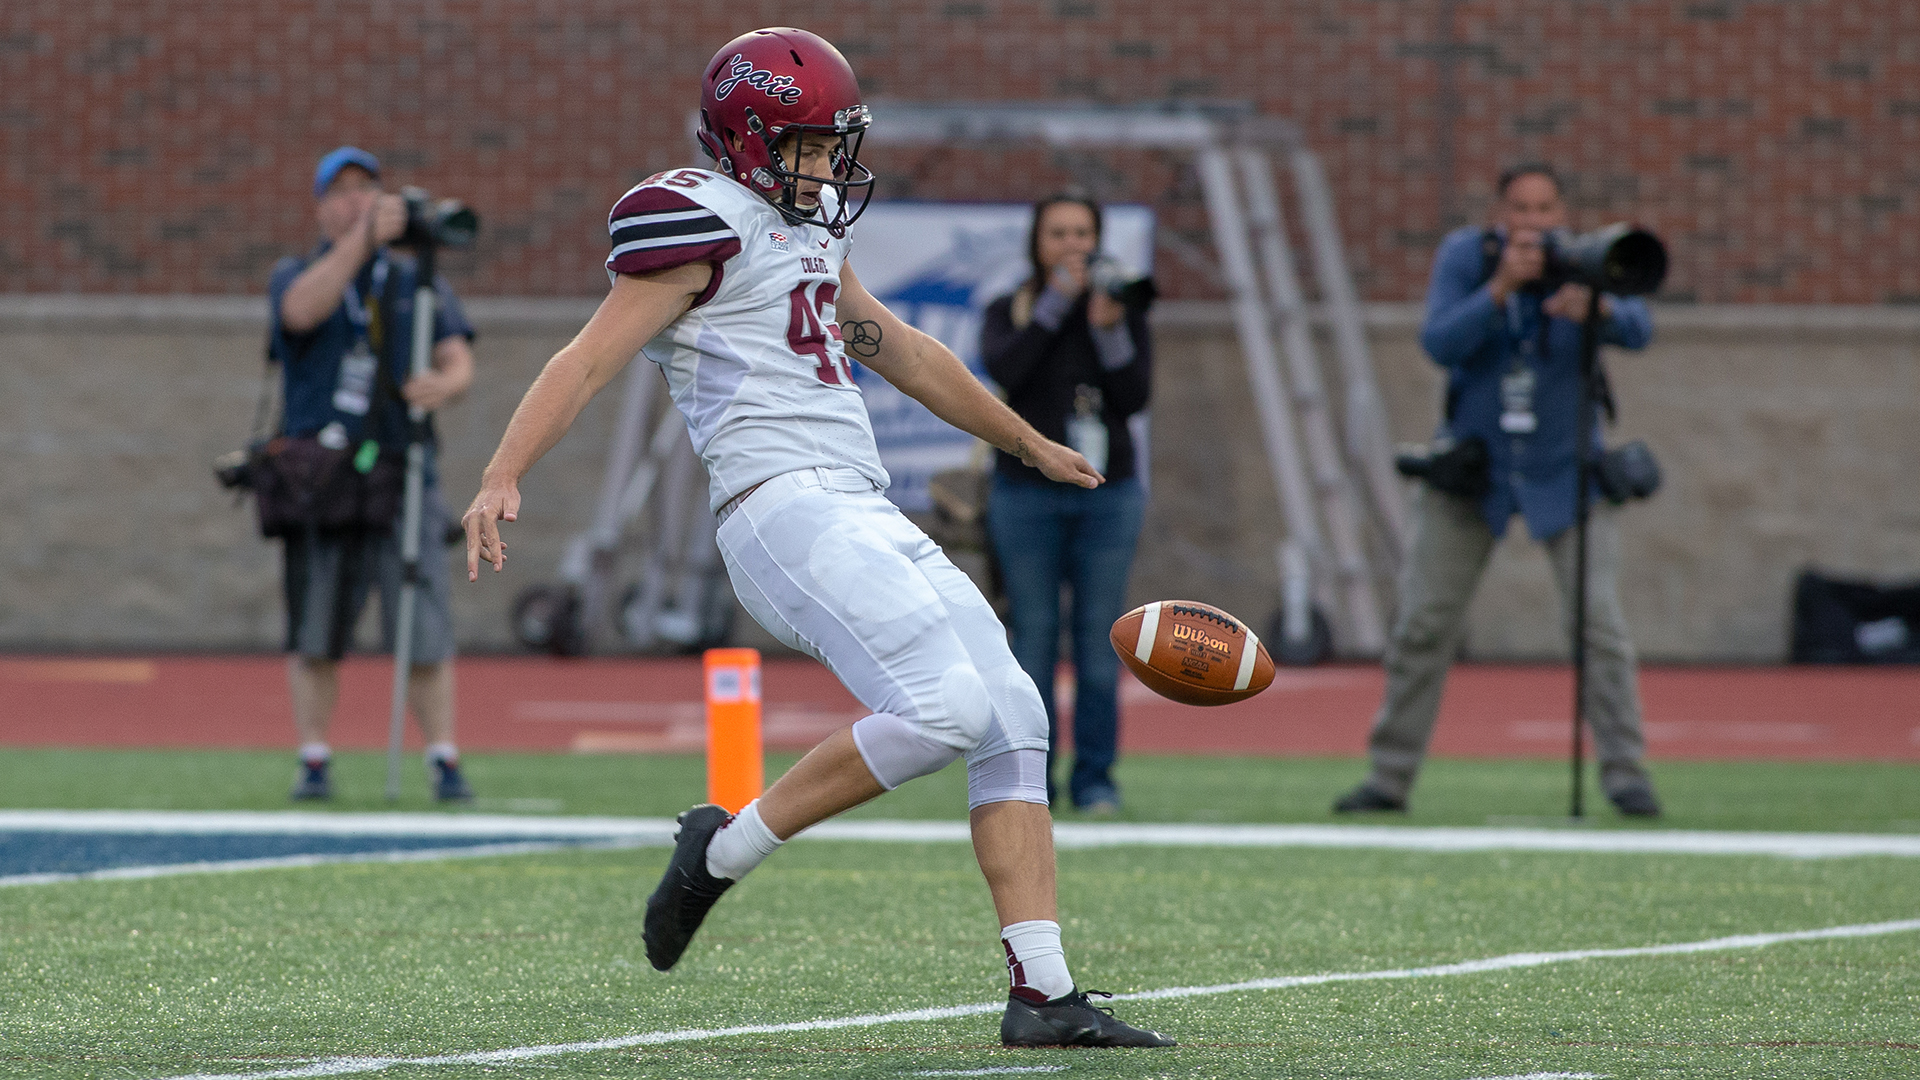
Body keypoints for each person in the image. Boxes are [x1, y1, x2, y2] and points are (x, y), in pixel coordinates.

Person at [461, 29, 1172, 1049]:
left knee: (1014, 715)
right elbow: (583, 362)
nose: (828, 168)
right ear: (745, 139)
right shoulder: (693, 220)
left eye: (835, 145)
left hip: (857, 501)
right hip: (776, 505)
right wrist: (502, 471)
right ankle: (721, 854)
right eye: (806, 146)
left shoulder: (808, 239)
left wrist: (1024, 442)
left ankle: (1042, 994)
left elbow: (909, 355)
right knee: (943, 707)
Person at [1333, 163, 1662, 818]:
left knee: (1599, 627)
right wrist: (1500, 290)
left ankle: (1627, 775)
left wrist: (1596, 306)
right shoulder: (1468, 257)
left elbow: (1641, 325)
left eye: (1545, 208)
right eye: (1520, 208)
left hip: (1565, 472)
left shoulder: (1584, 259)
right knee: (1424, 623)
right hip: (1474, 470)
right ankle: (1389, 776)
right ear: (1499, 213)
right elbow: (1438, 341)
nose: (1533, 223)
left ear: (1562, 213)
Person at [268, 146, 477, 803]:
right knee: (317, 626)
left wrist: (440, 386)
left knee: (423, 621)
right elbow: (300, 313)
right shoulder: (298, 272)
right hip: (322, 471)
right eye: (343, 192)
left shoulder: (415, 280)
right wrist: (359, 242)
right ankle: (313, 757)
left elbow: (459, 358)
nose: (356, 201)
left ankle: (442, 758)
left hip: (401, 463)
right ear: (322, 204)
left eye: (368, 191)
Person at [980, 194, 1152, 815]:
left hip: (1108, 495)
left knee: (1100, 641)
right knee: (1033, 640)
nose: (1072, 245)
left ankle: (1096, 781)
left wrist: (1109, 332)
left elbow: (1133, 399)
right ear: (1037, 242)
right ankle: (1033, 783)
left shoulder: (1120, 307)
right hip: (1026, 495)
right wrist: (1056, 305)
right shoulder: (1014, 308)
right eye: (1058, 234)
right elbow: (1009, 371)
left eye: (1083, 233)